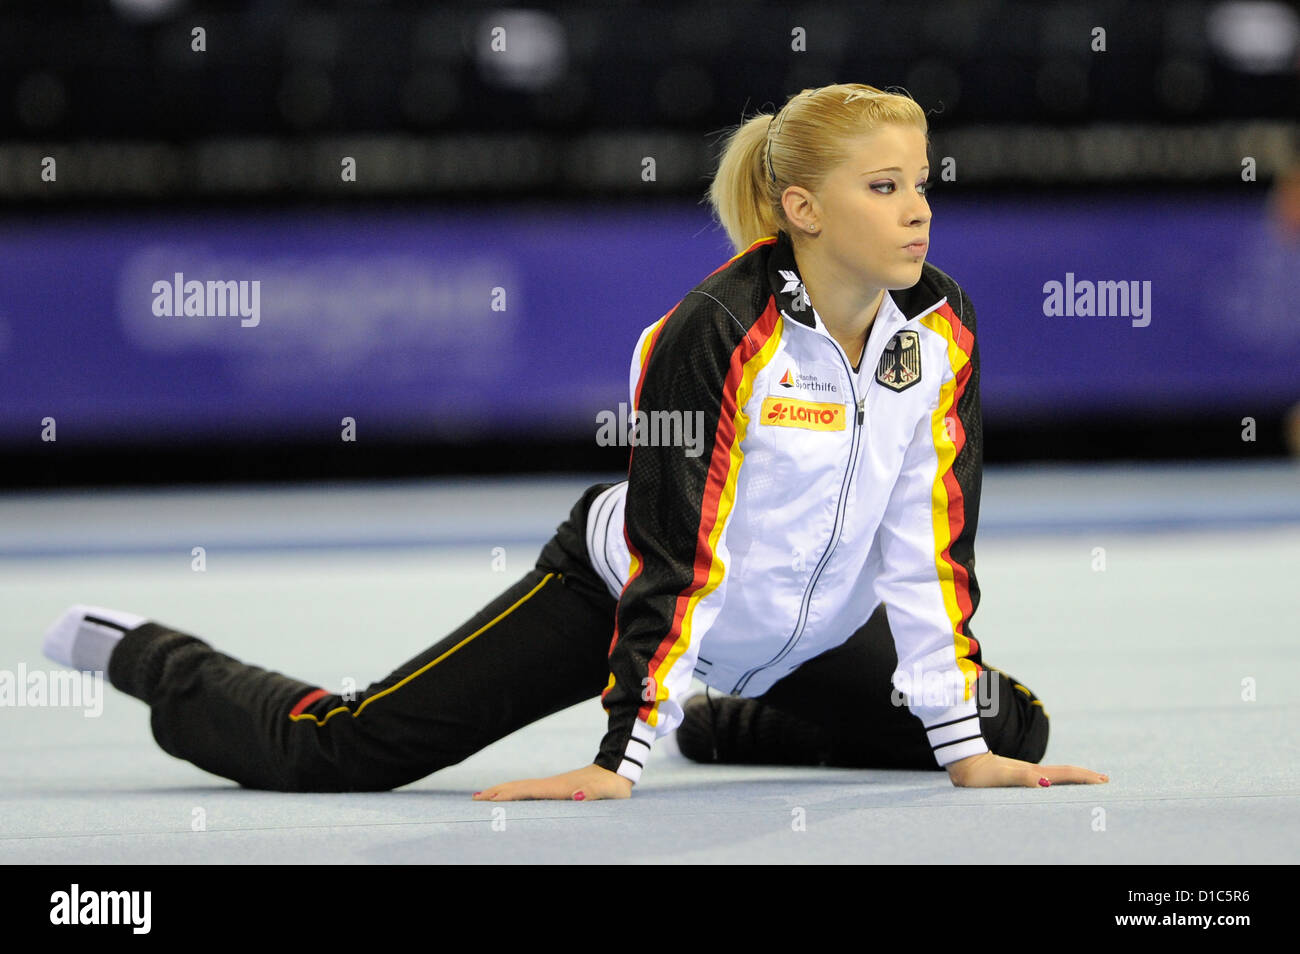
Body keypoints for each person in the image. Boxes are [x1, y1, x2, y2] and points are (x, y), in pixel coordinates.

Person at [41, 83, 1108, 801]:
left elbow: (932, 543)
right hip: (622, 597)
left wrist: (964, 752)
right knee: (347, 749)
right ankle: (140, 651)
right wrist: (619, 755)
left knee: (1013, 730)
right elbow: (677, 551)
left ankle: (727, 725)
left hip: (814, 633)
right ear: (802, 207)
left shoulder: (938, 327)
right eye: (885, 188)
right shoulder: (718, 331)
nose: (918, 209)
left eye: (923, 181)